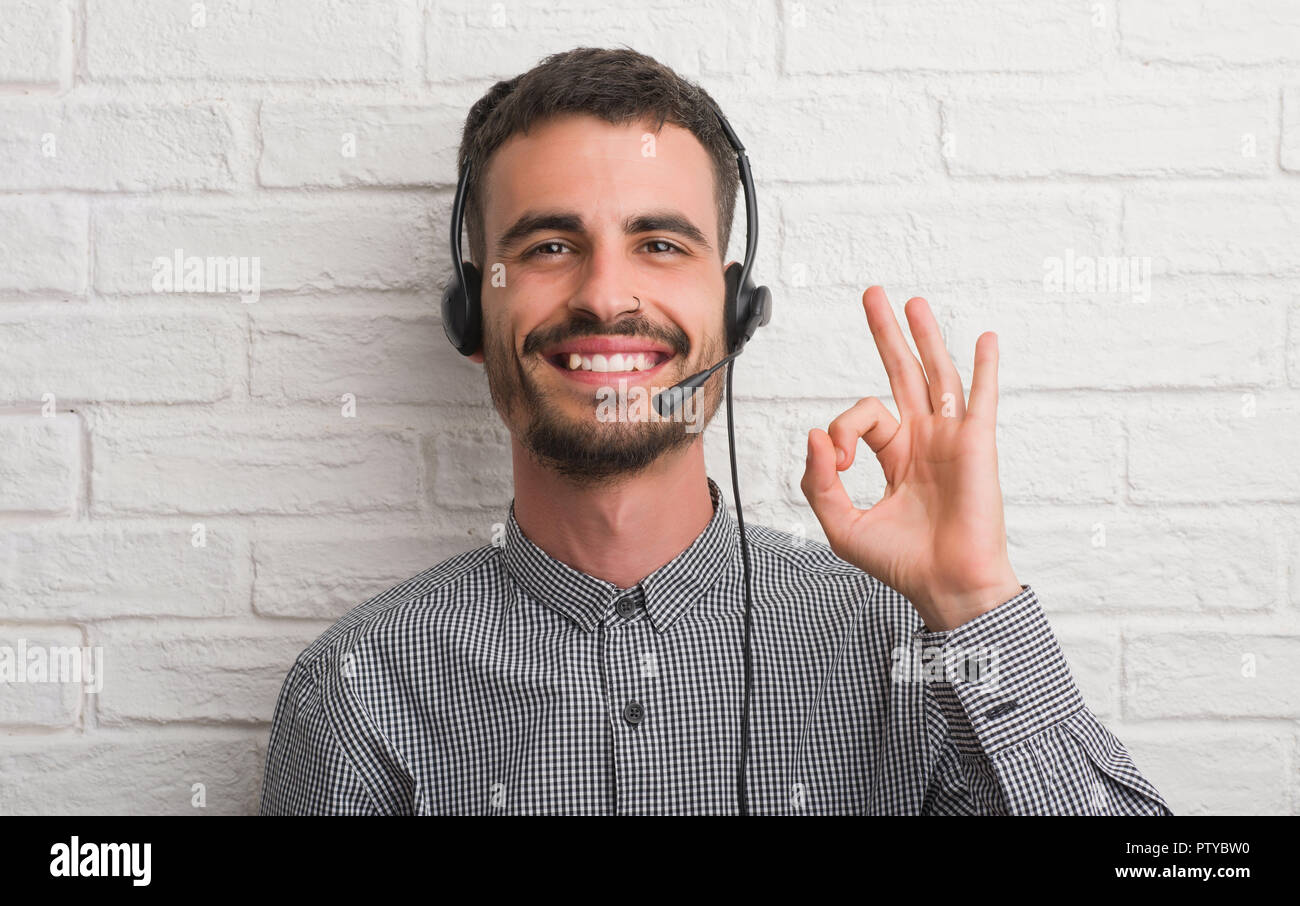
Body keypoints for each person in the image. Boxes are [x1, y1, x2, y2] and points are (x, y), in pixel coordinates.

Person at [260, 46, 1171, 815]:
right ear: (471, 315)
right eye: (547, 247)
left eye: (660, 244)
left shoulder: (916, 648)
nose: (607, 295)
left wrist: (976, 604)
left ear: (735, 309)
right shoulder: (357, 694)